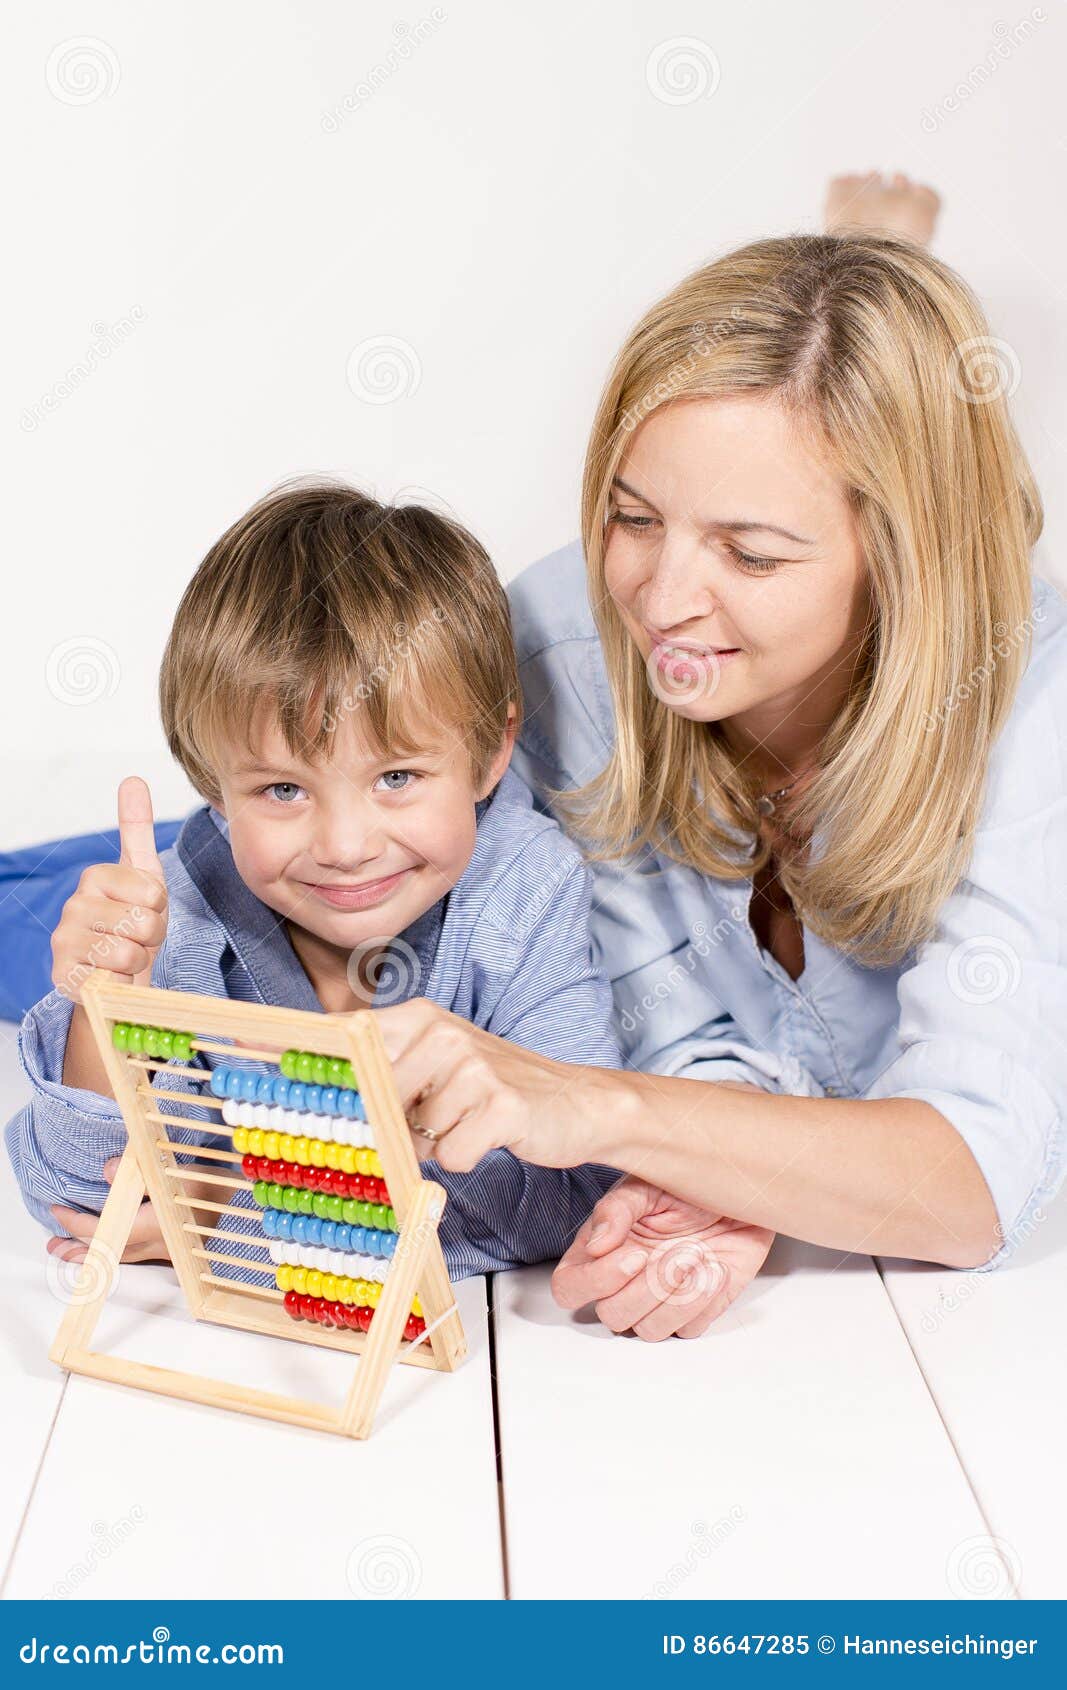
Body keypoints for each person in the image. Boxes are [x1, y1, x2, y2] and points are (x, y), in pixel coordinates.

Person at [367, 176, 1067, 1340]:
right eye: (633, 517)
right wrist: (718, 1171)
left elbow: (969, 1187)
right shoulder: (559, 638)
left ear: (898, 561)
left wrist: (610, 1115)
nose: (657, 598)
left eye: (747, 552)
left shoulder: (1030, 695)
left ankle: (881, 259)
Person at [5, 483, 625, 1282]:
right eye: (284, 789)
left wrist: (232, 1223)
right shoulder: (184, 913)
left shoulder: (527, 889)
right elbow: (73, 1197)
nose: (345, 846)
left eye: (396, 776)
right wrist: (103, 1007)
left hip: (260, 870)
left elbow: (574, 1189)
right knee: (35, 927)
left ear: (492, 751)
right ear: (212, 783)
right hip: (188, 878)